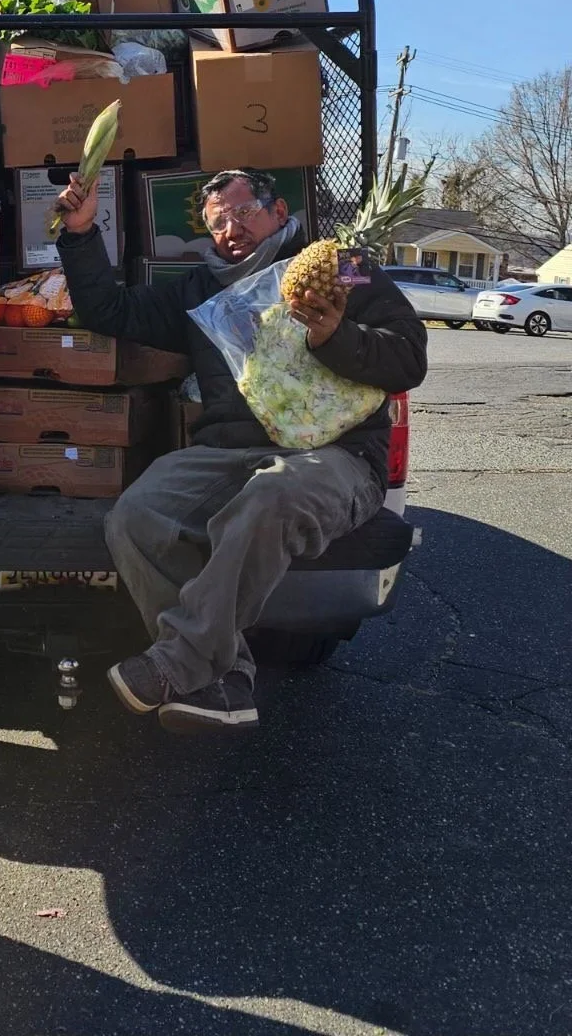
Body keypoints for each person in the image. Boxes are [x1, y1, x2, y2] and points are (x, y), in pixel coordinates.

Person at [54, 166, 427, 732]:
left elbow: (409, 358)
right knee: (137, 513)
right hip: (228, 451)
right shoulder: (199, 290)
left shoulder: (340, 268)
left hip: (335, 456)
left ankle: (180, 662)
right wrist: (81, 234)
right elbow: (112, 311)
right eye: (218, 221)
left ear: (278, 213)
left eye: (245, 212)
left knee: (270, 495)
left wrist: (335, 337)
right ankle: (224, 682)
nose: (232, 228)